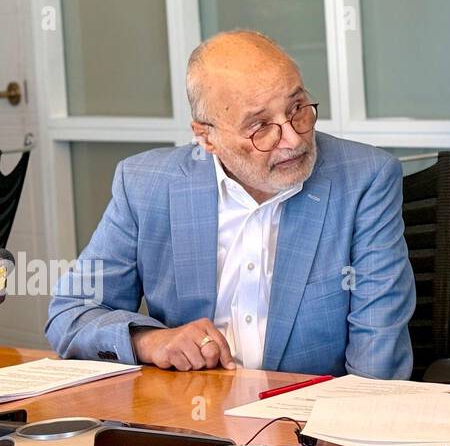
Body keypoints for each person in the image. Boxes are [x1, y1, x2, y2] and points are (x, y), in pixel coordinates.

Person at [47, 30, 415, 378]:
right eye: (259, 126)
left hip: (310, 426)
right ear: (206, 137)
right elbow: (71, 314)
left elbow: (376, 366)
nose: (292, 139)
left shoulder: (365, 178)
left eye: (297, 108)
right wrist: (150, 341)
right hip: (189, 422)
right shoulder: (146, 185)